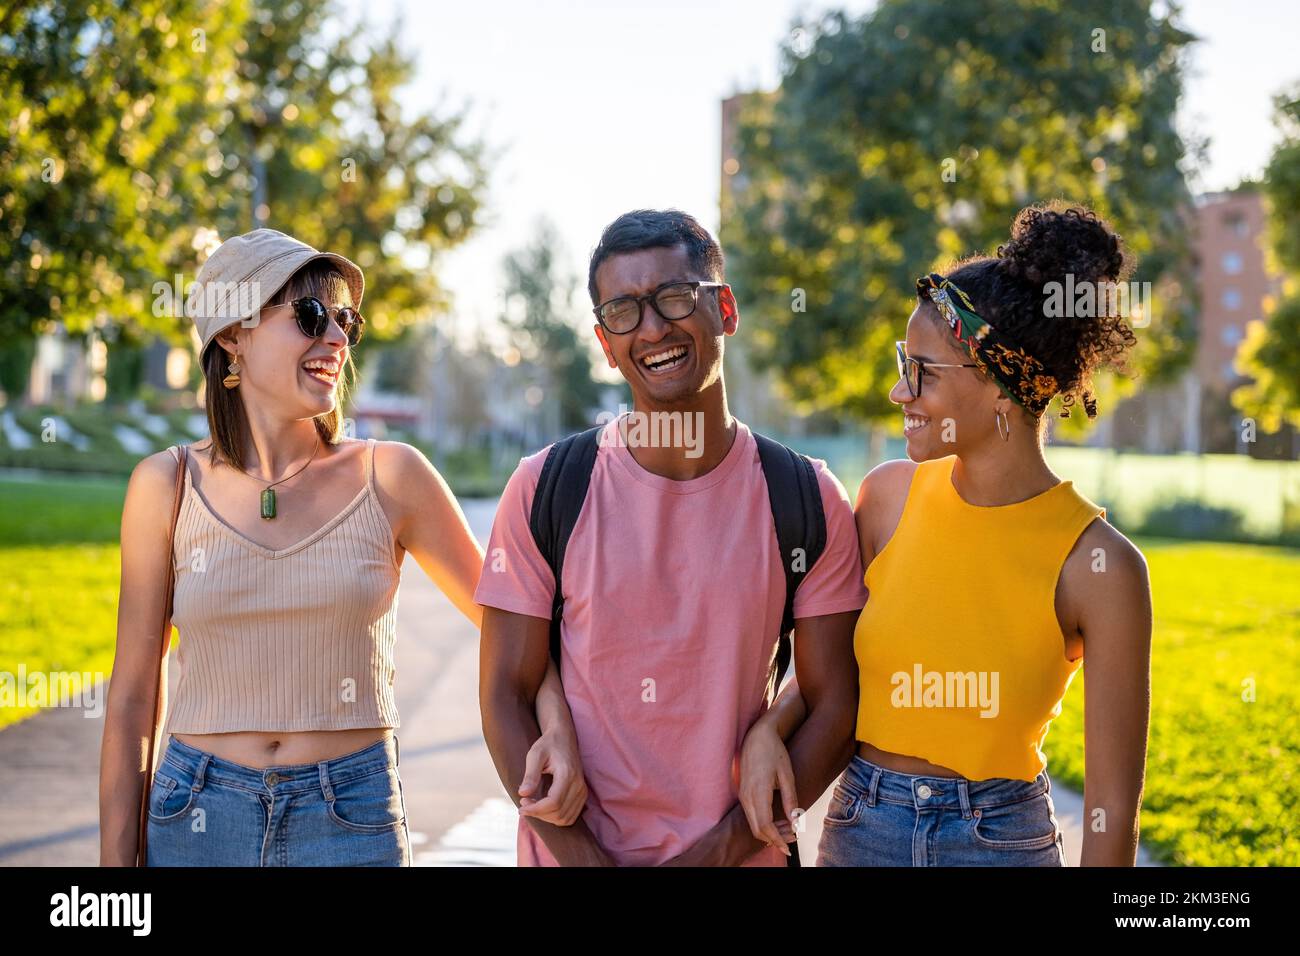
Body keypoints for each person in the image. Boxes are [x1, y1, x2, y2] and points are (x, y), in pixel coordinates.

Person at [99, 228, 584, 866]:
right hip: (196, 813)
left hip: (348, 818)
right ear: (232, 335)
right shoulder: (164, 485)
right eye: (308, 314)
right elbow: (135, 695)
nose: (334, 336)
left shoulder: (392, 475)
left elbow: (505, 618)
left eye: (344, 320)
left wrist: (556, 721)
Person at [738, 202, 1153, 866]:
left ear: (998, 386)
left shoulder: (1101, 566)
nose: (901, 392)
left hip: (1002, 841)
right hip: (861, 827)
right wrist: (770, 729)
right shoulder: (885, 499)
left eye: (922, 371)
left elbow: (1110, 819)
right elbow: (836, 671)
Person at [477, 209, 869, 866]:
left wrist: (715, 854)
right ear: (606, 344)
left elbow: (835, 706)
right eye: (624, 310)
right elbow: (504, 696)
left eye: (674, 298)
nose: (653, 327)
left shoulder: (805, 497)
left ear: (726, 309)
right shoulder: (547, 486)